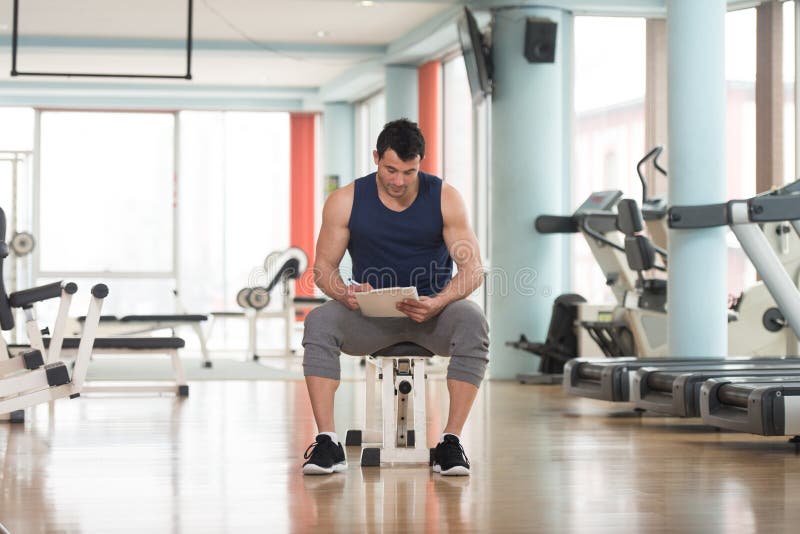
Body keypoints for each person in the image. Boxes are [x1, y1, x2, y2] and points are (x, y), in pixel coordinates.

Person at [300, 118, 489, 476]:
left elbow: (473, 269)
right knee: (319, 321)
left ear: (420, 163)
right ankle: (327, 442)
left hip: (432, 314)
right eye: (390, 170)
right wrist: (346, 293)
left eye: (409, 171)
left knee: (473, 319)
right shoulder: (345, 200)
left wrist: (438, 302)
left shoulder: (445, 198)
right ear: (376, 158)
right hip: (370, 316)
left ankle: (450, 442)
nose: (399, 181)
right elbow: (323, 268)